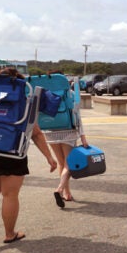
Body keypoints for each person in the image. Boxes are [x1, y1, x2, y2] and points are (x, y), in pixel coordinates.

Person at [0, 68, 58, 245]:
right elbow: (37, 133)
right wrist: (49, 157)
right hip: (11, 151)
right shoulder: (22, 102)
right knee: (10, 195)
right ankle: (10, 234)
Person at [43, 71, 88, 207]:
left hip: (50, 131)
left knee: (61, 163)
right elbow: (77, 118)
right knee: (69, 164)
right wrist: (83, 138)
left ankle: (66, 193)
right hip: (67, 131)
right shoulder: (70, 94)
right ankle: (60, 189)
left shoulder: (45, 94)